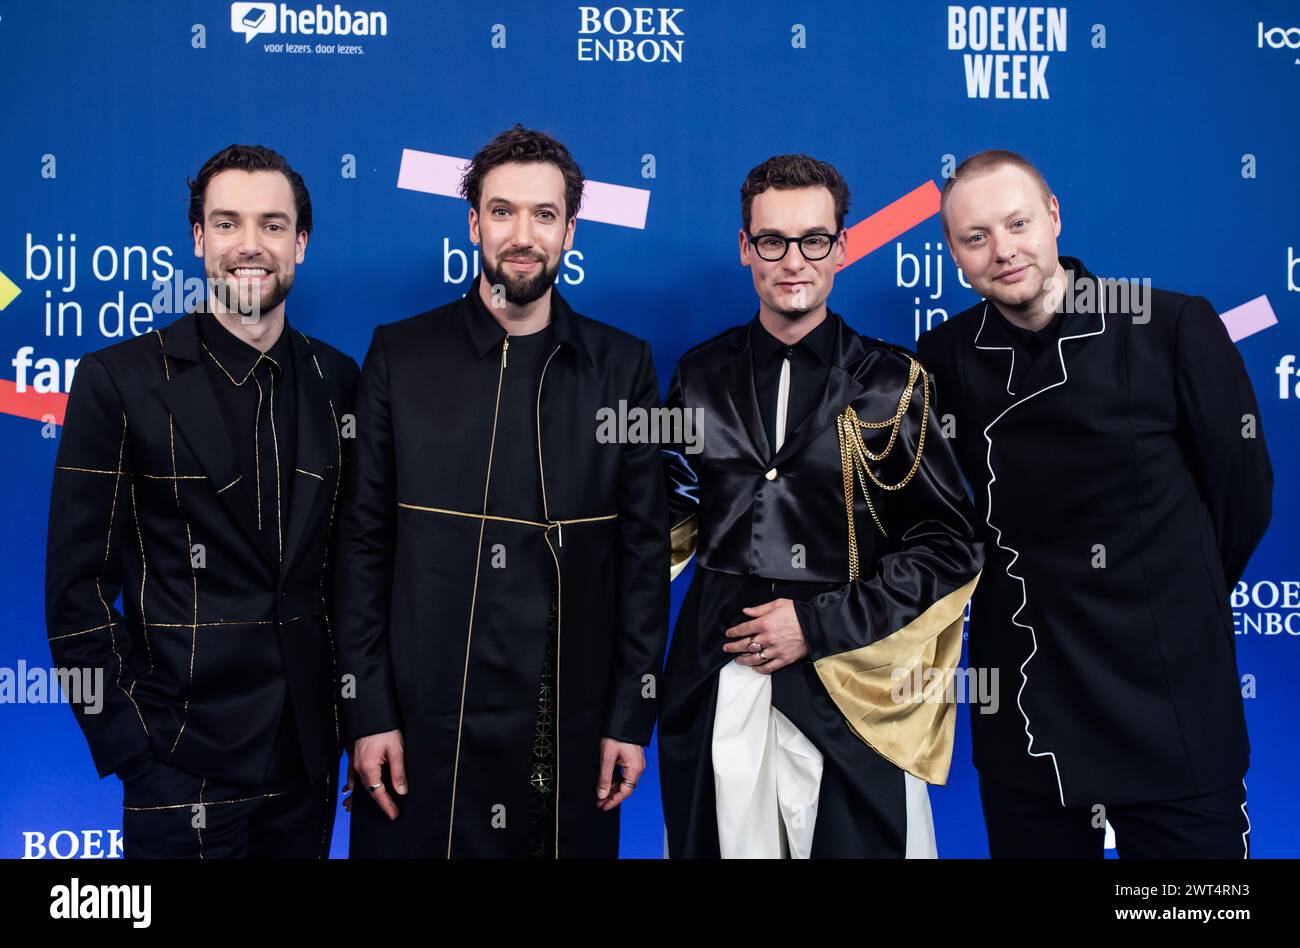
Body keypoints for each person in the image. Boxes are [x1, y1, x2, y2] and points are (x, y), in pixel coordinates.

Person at [916, 149, 1272, 858]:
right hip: (1026, 705)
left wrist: (1166, 605)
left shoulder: (1171, 326)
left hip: (1170, 706)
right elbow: (936, 519)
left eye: (1017, 223)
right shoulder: (943, 358)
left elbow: (1242, 497)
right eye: (976, 237)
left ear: (1053, 217)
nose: (1003, 250)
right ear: (954, 255)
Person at [336, 125, 669, 858]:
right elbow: (361, 548)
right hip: (420, 734)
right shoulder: (399, 354)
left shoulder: (625, 368)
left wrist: (628, 717)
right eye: (502, 211)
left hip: (566, 730)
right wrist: (367, 713)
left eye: (544, 215)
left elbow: (643, 558)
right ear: (473, 223)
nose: (523, 235)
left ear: (571, 231)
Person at [658, 154, 984, 858]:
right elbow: (657, 526)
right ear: (746, 247)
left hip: (854, 695)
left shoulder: (893, 382)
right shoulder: (697, 375)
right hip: (716, 682)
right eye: (772, 240)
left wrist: (816, 622)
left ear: (842, 247)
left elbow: (951, 545)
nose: (792, 260)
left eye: (813, 240)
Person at [46, 144, 359, 857]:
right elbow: (76, 590)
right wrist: (132, 742)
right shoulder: (118, 380)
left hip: (308, 761)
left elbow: (353, 566)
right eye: (227, 224)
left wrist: (351, 720)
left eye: (273, 226)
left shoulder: (338, 380)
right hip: (177, 760)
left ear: (301, 243)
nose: (250, 246)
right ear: (198, 239)